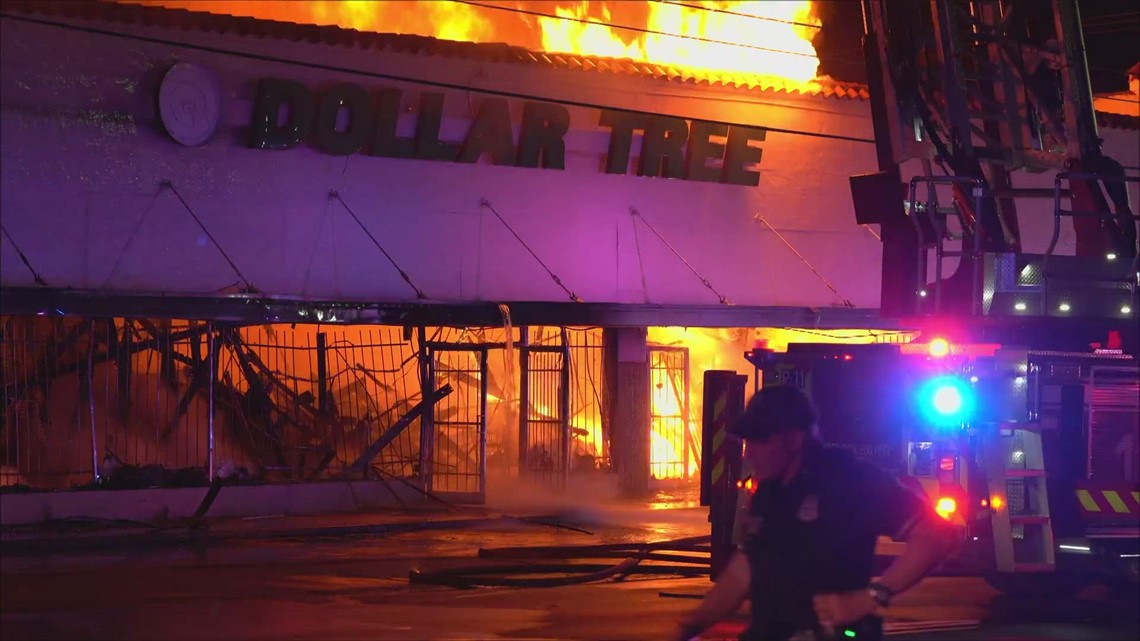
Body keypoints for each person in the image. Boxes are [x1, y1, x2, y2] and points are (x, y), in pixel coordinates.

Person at [673, 386, 958, 641]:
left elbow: (936, 533)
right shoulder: (771, 491)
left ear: (794, 440)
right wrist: (691, 626)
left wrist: (873, 595)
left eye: (761, 440)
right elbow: (746, 567)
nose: (750, 453)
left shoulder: (848, 480)